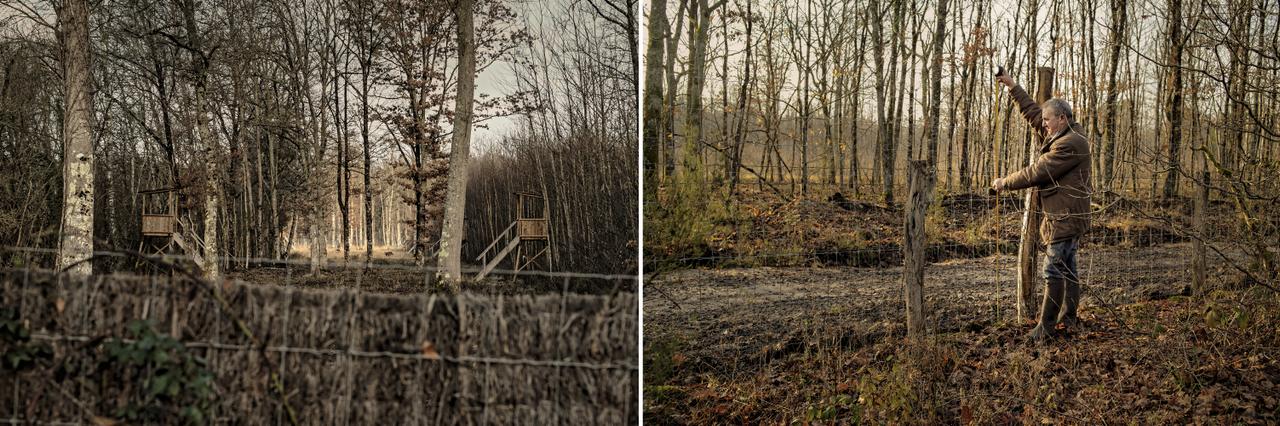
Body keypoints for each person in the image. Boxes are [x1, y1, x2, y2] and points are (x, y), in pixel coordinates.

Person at [990, 74, 1093, 344]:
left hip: (1065, 217)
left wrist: (1004, 183)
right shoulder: (1065, 131)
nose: (1044, 125)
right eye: (1045, 121)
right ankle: (1068, 317)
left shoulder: (1071, 144)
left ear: (1062, 118)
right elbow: (1035, 114)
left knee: (1053, 270)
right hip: (1068, 215)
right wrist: (1013, 87)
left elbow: (1037, 171)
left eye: (1048, 121)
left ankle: (1046, 328)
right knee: (1068, 268)